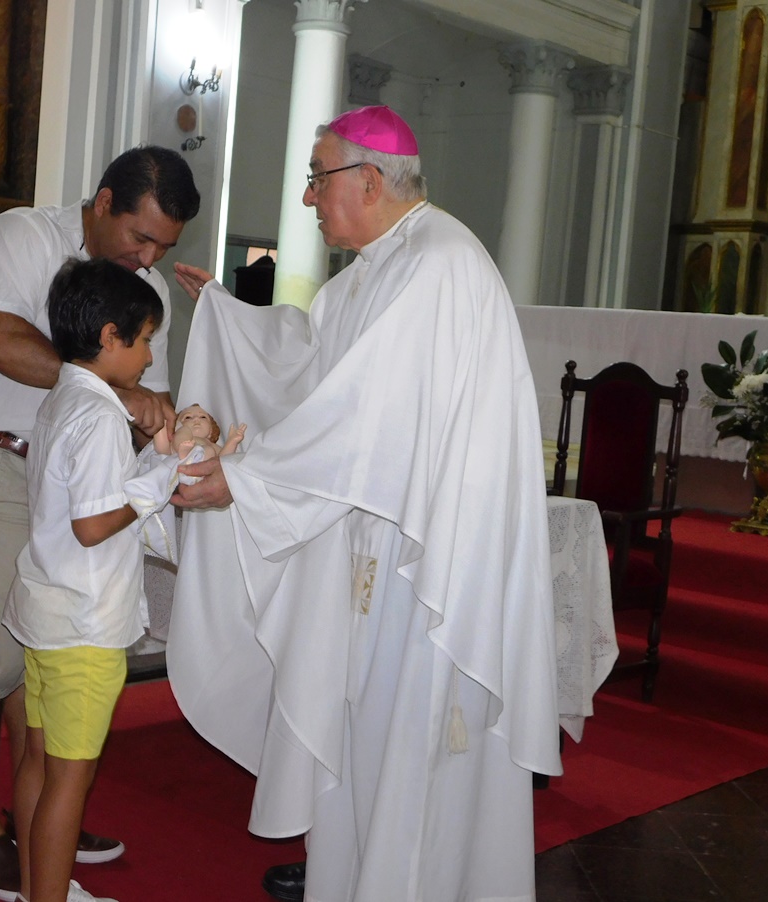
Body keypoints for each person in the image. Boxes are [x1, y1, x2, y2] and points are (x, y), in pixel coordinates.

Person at [168, 105, 561, 902]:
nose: (309, 199)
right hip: (367, 554)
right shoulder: (373, 274)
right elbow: (311, 369)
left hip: (424, 568)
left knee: (408, 747)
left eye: (317, 178)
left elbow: (363, 413)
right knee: (364, 737)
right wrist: (232, 317)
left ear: (369, 180)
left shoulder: (440, 264)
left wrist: (245, 478)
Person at [0, 145, 200, 900]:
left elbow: (151, 389)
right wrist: (101, 384)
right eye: (139, 237)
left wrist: (174, 432)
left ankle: (45, 812)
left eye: (162, 248)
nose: (147, 258)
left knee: (41, 660)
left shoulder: (142, 294)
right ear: (105, 199)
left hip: (77, 476)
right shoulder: (22, 235)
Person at [3, 258, 173, 902]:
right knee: (68, 783)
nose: (150, 357)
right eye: (146, 339)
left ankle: (35, 889)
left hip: (47, 611)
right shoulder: (102, 416)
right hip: (84, 626)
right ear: (109, 336)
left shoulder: (67, 394)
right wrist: (158, 481)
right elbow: (94, 524)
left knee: (37, 763)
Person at [152, 403, 246, 463]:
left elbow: (223, 460)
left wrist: (232, 441)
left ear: (210, 431)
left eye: (203, 417)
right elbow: (162, 448)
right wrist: (162, 423)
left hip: (203, 474)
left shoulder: (210, 445)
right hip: (179, 458)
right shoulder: (182, 431)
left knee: (209, 451)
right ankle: (188, 453)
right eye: (188, 417)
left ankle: (193, 455)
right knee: (184, 431)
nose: (196, 419)